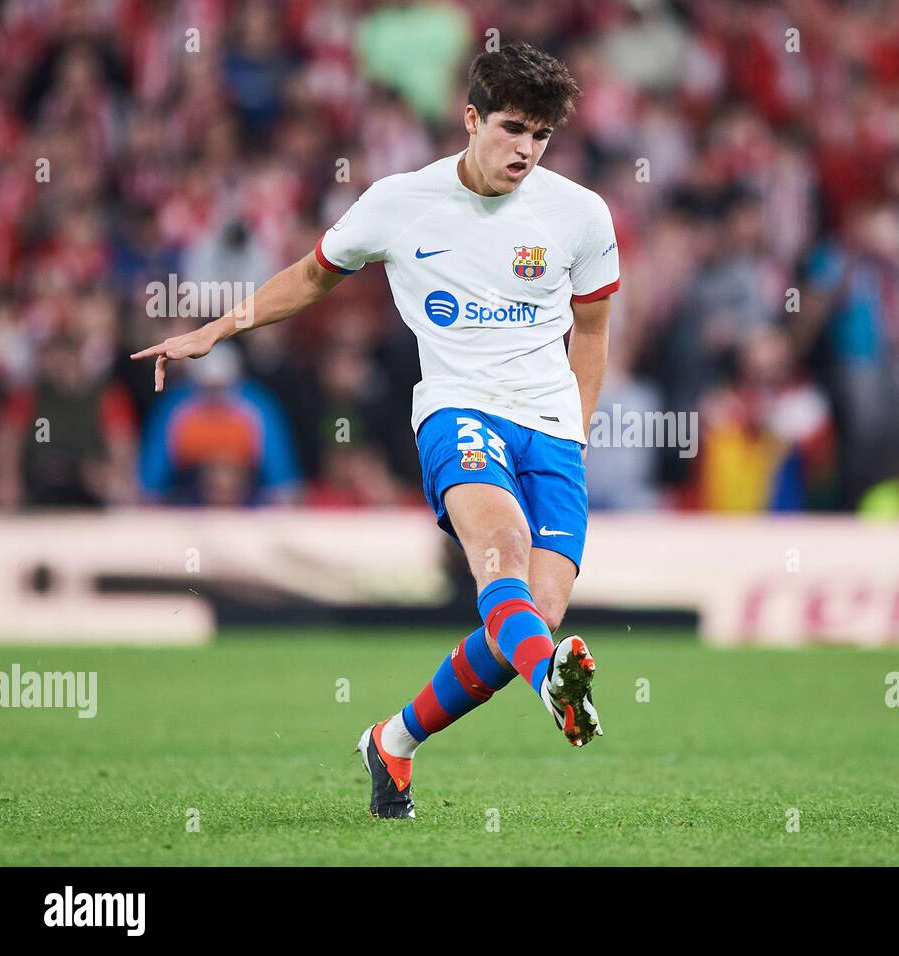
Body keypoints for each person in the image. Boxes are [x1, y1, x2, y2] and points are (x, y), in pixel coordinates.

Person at [130, 43, 620, 819]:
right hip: (458, 410)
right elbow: (312, 276)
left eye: (542, 136)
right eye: (513, 128)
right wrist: (214, 332)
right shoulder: (400, 202)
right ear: (471, 119)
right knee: (504, 563)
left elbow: (591, 334)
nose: (526, 149)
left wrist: (578, 434)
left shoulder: (581, 214)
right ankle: (551, 683)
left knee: (536, 616)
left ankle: (392, 741)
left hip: (551, 427)